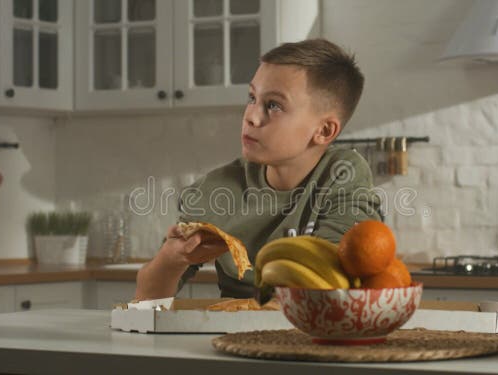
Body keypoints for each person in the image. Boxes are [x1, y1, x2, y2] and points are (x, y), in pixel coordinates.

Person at [135, 38, 382, 300]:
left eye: (273, 105)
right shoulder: (217, 190)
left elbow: (332, 287)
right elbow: (143, 304)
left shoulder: (343, 172)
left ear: (324, 131)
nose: (251, 116)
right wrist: (172, 259)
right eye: (252, 98)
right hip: (232, 337)